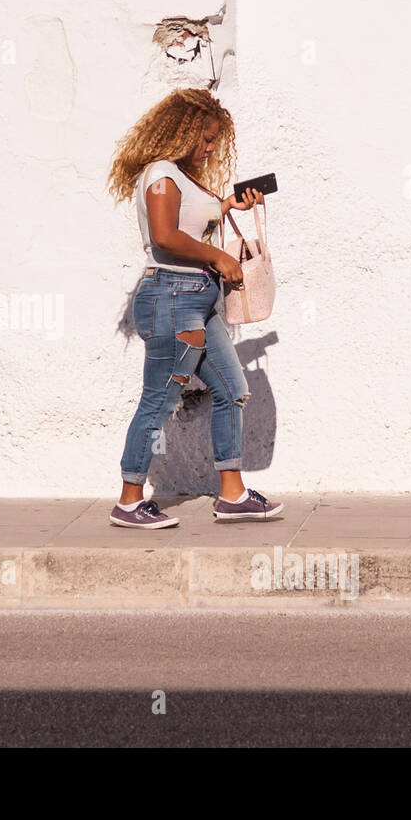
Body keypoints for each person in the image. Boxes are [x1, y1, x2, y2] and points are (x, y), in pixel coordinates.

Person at [105, 87, 283, 529]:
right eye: (204, 138)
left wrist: (227, 206)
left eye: (213, 140)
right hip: (171, 297)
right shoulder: (161, 173)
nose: (209, 147)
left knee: (232, 389)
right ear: (181, 132)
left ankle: (232, 495)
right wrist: (219, 258)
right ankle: (129, 500)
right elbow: (166, 236)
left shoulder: (181, 177)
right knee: (159, 400)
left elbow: (190, 224)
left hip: (198, 300)